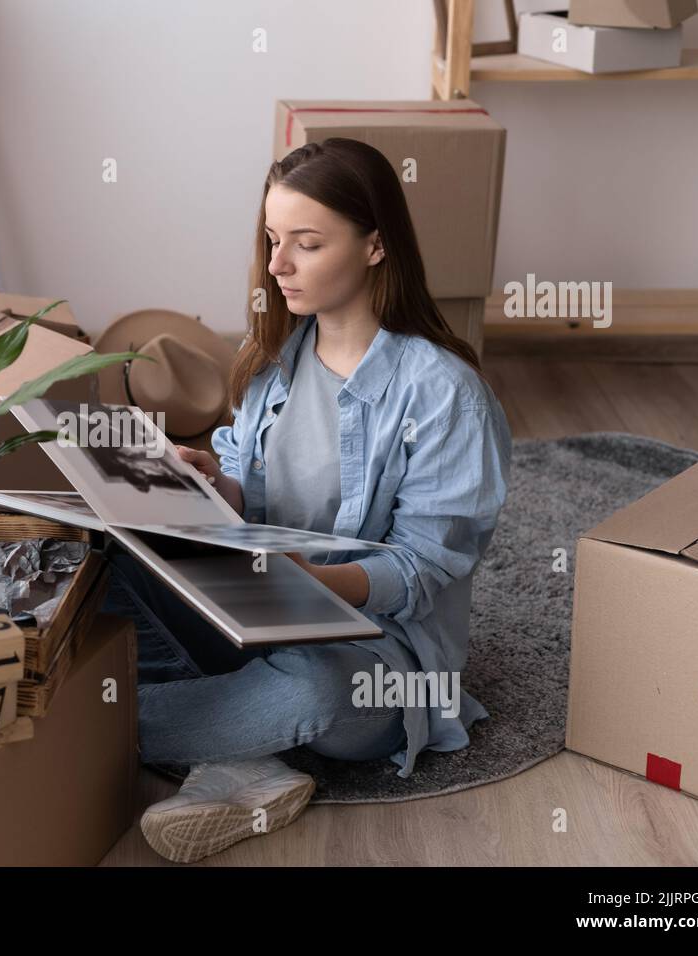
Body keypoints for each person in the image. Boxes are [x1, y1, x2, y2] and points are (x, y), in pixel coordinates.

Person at [99, 137, 512, 864]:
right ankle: (242, 761)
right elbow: (246, 493)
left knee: (315, 699)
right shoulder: (274, 360)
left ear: (376, 245)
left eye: (307, 243)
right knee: (108, 547)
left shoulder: (445, 395)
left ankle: (85, 727)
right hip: (256, 607)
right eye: (271, 240)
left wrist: (313, 583)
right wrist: (206, 482)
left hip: (367, 653)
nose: (278, 264)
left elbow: (421, 570)